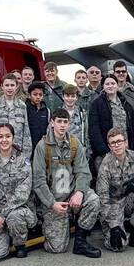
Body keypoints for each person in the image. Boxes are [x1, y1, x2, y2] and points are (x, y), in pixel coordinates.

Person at [32, 109, 102, 257]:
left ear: (69, 124)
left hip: (71, 195)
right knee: (56, 248)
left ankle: (80, 241)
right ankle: (54, 224)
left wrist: (80, 192)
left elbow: (83, 172)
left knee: (93, 200)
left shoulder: (75, 144)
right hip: (54, 201)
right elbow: (38, 181)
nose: (62, 125)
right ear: (52, 123)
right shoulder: (42, 146)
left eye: (65, 122)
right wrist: (52, 203)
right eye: (59, 121)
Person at [95, 127, 134, 251]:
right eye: (113, 143)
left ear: (125, 142)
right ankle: (118, 229)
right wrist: (113, 226)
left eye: (119, 141)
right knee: (118, 245)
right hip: (113, 205)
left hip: (129, 199)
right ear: (109, 146)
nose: (116, 145)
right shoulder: (105, 165)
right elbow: (102, 198)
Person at [0, 123, 35, 260]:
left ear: (13, 138)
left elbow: (22, 194)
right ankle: (6, 235)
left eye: (8, 136)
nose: (4, 140)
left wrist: (3, 215)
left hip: (18, 209)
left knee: (15, 217)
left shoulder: (23, 161)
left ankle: (20, 244)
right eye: (0, 137)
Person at [87, 72, 134, 170]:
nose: (110, 86)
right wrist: (103, 151)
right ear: (103, 86)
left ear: (117, 85)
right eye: (107, 84)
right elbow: (94, 129)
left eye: (113, 83)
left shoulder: (126, 103)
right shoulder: (97, 104)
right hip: (107, 151)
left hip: (126, 149)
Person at [0, 73, 29, 158]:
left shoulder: (22, 106)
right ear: (2, 87)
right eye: (7, 85)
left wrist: (26, 155)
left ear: (16, 87)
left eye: (12, 85)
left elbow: (26, 132)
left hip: (17, 152)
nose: (9, 88)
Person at [24, 80, 52, 151]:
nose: (38, 97)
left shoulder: (46, 111)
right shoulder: (24, 109)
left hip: (43, 147)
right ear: (29, 95)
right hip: (28, 147)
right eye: (35, 94)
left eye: (40, 94)